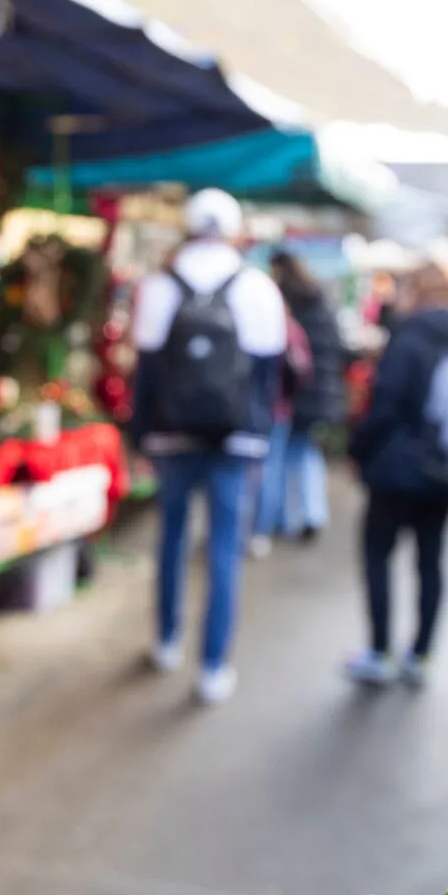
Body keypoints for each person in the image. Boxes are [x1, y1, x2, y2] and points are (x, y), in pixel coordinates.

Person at [130, 188, 288, 704]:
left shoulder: (158, 287)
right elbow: (269, 371)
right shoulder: (258, 287)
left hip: (170, 435)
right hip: (235, 438)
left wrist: (140, 436)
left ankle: (167, 639)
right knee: (224, 551)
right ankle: (214, 666)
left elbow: (145, 372)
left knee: (171, 539)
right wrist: (261, 437)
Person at [345, 251, 448, 689]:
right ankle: (423, 655)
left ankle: (379, 651)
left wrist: (359, 448)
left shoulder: (409, 336)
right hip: (447, 469)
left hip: (396, 467)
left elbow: (384, 405)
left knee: (378, 553)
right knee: (431, 561)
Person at [256, 250, 348, 549]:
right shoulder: (320, 299)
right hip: (320, 394)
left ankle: (277, 519)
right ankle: (312, 513)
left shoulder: (282, 302)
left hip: (290, 393)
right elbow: (339, 348)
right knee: (305, 452)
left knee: (279, 457)